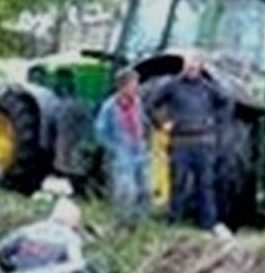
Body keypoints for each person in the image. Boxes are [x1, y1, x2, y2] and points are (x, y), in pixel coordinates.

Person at [150, 56, 232, 238]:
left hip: (204, 143)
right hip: (180, 143)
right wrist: (161, 123)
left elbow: (227, 102)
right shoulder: (172, 86)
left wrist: (216, 122)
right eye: (189, 66)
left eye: (195, 66)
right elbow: (152, 104)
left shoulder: (208, 88)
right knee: (178, 183)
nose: (192, 69)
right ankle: (173, 223)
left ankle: (208, 224)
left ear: (201, 68)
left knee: (206, 185)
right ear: (184, 67)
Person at [93, 68, 150, 222]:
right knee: (126, 190)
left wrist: (144, 141)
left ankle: (139, 221)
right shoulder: (110, 106)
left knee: (144, 188)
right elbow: (99, 131)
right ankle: (122, 221)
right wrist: (114, 148)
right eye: (134, 84)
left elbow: (143, 122)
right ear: (123, 86)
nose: (136, 87)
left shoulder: (137, 102)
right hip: (122, 151)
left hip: (138, 149)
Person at [0, 198, 84, 272]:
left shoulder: (30, 229)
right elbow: (75, 267)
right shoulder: (70, 238)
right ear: (73, 221)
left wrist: (8, 269)